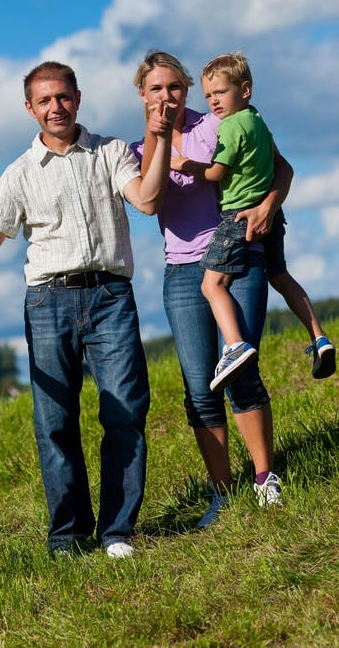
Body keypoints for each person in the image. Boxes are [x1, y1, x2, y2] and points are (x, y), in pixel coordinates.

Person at [0, 60, 173, 558]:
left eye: (63, 97)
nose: (55, 107)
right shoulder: (18, 174)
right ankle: (69, 535)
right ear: (30, 108)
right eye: (44, 101)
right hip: (46, 301)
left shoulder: (111, 151)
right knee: (54, 421)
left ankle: (117, 530)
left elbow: (145, 201)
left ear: (78, 97)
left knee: (124, 410)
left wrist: (159, 138)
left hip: (109, 298)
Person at [132, 50, 293, 526]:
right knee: (200, 388)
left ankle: (266, 478)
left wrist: (268, 207)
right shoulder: (138, 149)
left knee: (242, 371)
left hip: (240, 256)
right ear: (143, 95)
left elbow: (280, 169)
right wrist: (159, 139)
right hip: (182, 272)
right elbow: (150, 199)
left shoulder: (221, 122)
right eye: (156, 89)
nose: (167, 96)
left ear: (187, 89)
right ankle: (222, 493)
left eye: (175, 87)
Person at [171, 52, 335, 392]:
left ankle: (234, 344)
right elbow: (278, 163)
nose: (214, 101)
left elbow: (216, 172)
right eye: (209, 95)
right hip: (273, 217)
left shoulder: (231, 126)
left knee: (211, 285)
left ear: (245, 89)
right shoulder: (257, 118)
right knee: (280, 274)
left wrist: (184, 163)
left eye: (221, 92)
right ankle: (319, 337)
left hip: (238, 216)